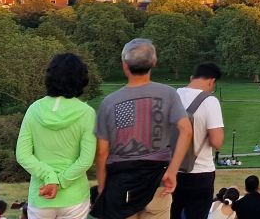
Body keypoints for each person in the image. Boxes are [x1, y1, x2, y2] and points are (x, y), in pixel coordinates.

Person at [94, 39, 193, 219]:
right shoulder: (168, 94)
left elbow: (102, 152)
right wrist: (172, 170)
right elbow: (186, 131)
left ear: (124, 65)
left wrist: (102, 185)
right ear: (154, 62)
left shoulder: (109, 102)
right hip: (158, 182)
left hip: (121, 185)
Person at [15, 53, 96, 219]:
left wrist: (50, 178)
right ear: (81, 79)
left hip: (41, 196)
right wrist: (60, 182)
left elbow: (23, 155)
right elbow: (86, 160)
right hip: (74, 197)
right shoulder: (87, 113)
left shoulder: (34, 109)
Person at [171, 64, 225, 219]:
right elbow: (217, 142)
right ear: (211, 81)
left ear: (191, 78)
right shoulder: (210, 101)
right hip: (200, 172)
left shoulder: (173, 96)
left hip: (172, 169)